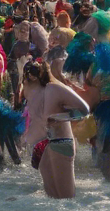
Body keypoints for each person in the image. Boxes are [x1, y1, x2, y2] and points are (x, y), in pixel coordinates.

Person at [24, 59, 89, 198]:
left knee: (67, 198)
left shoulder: (54, 88)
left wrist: (58, 117)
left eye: (24, 80)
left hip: (62, 143)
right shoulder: (39, 93)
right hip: (49, 145)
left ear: (31, 77)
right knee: (53, 198)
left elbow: (85, 109)